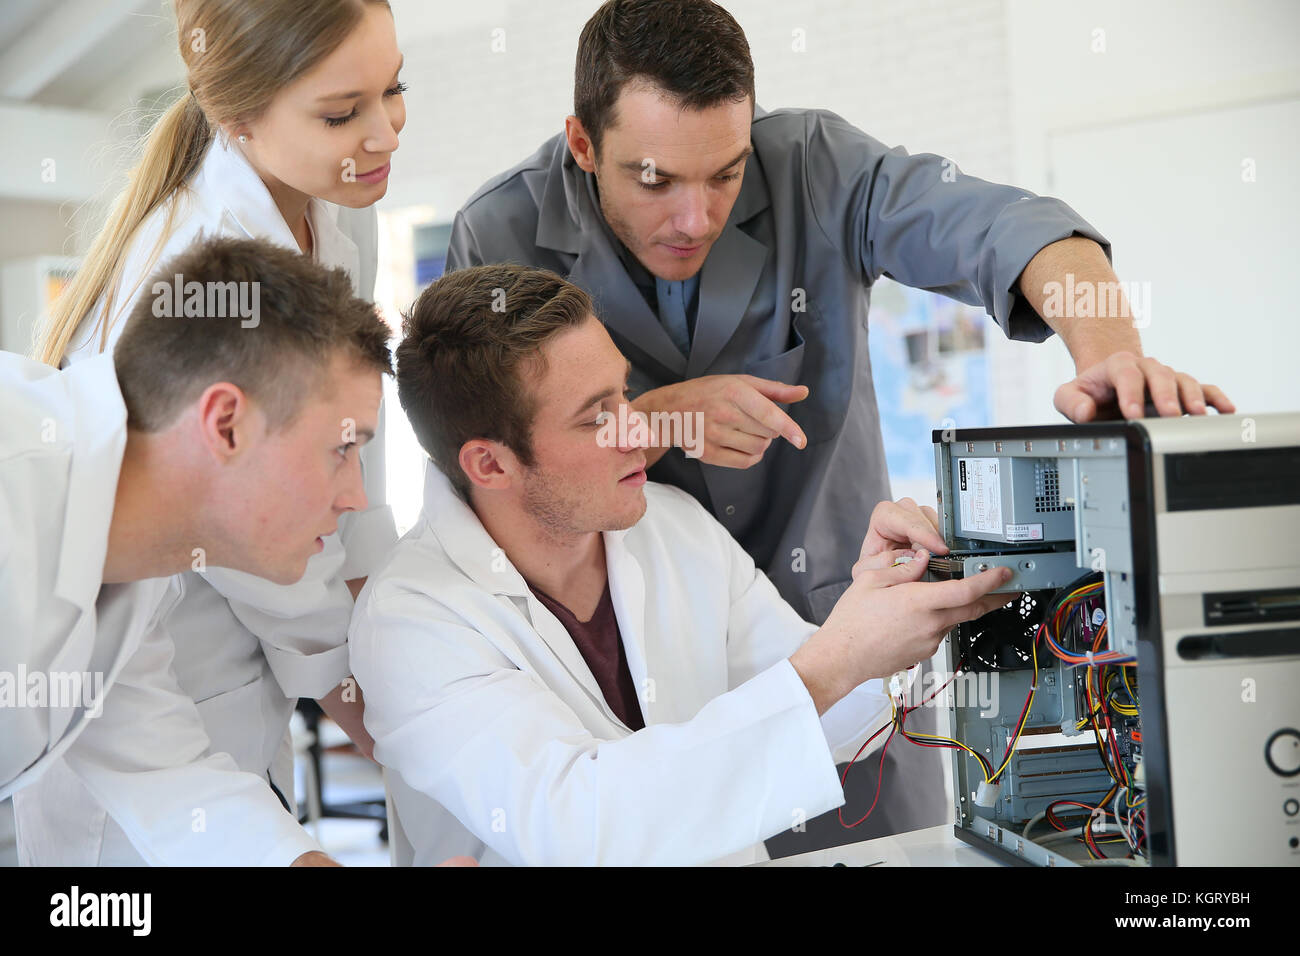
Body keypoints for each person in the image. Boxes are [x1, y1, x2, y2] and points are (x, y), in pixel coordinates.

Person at [440, 0, 1234, 843]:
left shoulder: (815, 166)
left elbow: (1005, 227)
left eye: (726, 174)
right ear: (583, 144)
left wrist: (1108, 352)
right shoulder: (496, 234)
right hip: (635, 685)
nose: (695, 218)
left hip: (846, 658)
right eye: (654, 180)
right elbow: (486, 466)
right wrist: (652, 418)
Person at [349, 264, 1013, 865]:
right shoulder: (411, 620)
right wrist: (837, 658)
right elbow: (576, 827)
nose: (640, 429)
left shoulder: (673, 528)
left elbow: (822, 713)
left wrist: (883, 608)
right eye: (596, 418)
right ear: (490, 464)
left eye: (623, 394)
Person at [20, 0, 405, 864]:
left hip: (205, 690)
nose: (383, 133)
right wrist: (346, 676)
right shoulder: (199, 259)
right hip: (170, 683)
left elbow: (352, 465)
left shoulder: (340, 209)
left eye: (394, 90)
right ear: (240, 119)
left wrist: (379, 642)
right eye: (343, 113)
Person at [2, 237, 387, 866]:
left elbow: (169, 777)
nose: (356, 498)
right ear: (226, 424)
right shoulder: (13, 482)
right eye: (342, 448)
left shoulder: (134, 565)